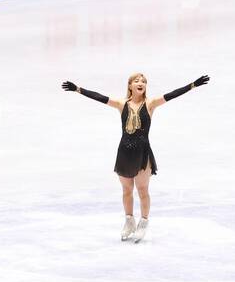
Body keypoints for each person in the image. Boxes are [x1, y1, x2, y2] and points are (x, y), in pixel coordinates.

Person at [61, 73, 210, 242]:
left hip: (142, 154)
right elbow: (100, 97)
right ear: (130, 85)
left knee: (142, 190)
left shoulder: (151, 104)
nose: (141, 83)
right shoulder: (121, 104)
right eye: (137, 81)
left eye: (144, 81)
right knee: (126, 190)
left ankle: (144, 223)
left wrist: (192, 85)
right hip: (124, 152)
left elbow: (172, 94)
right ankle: (129, 221)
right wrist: (78, 90)